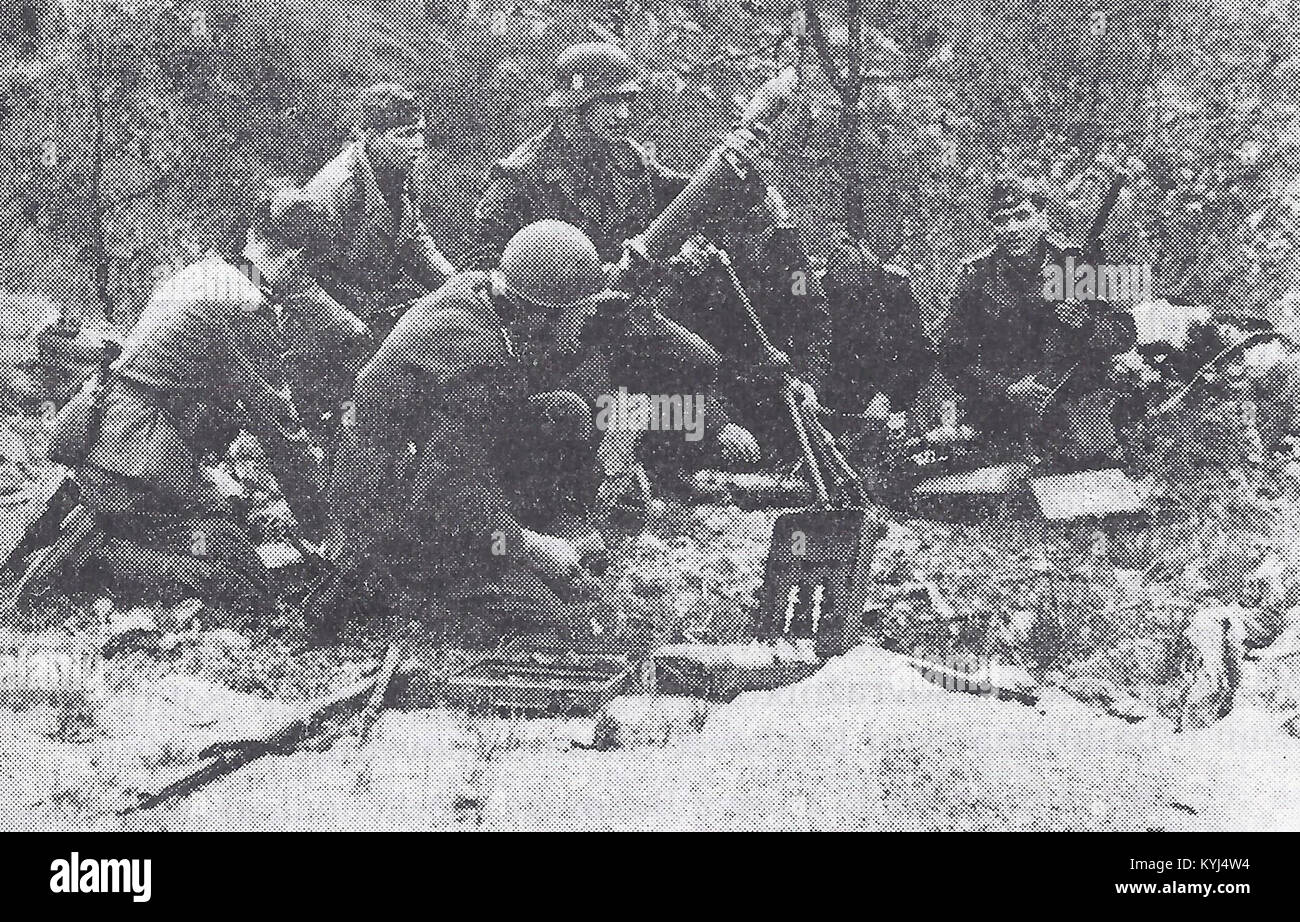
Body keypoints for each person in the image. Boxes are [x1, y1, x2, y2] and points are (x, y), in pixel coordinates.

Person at [325, 221, 655, 622]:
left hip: (416, 472)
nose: (579, 328)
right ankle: (412, 581)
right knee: (559, 616)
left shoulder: (486, 295)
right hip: (395, 513)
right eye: (576, 316)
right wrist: (531, 548)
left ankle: (532, 536)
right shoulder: (475, 361)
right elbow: (447, 493)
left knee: (563, 413)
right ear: (542, 316)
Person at [46, 190, 338, 610]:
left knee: (228, 530)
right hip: (138, 451)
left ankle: (102, 536)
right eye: (311, 271)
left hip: (106, 432)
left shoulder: (207, 272)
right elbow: (278, 428)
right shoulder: (249, 306)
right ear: (294, 256)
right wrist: (324, 525)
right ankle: (99, 560)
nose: (308, 285)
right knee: (249, 589)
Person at [941, 175, 1136, 458]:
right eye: (1001, 220)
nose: (1012, 229)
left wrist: (1085, 325)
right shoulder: (977, 275)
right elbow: (953, 355)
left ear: (1044, 218)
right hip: (1002, 410)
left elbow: (1123, 334)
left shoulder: (1074, 266)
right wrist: (1007, 387)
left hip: (1074, 401)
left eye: (1022, 216)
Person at [304, 83, 456, 344]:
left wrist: (459, 287)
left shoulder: (399, 173)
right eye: (405, 135)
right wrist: (353, 327)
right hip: (323, 326)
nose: (418, 144)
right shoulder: (336, 190)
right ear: (370, 136)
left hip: (367, 309)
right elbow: (289, 273)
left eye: (420, 133)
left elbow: (413, 241)